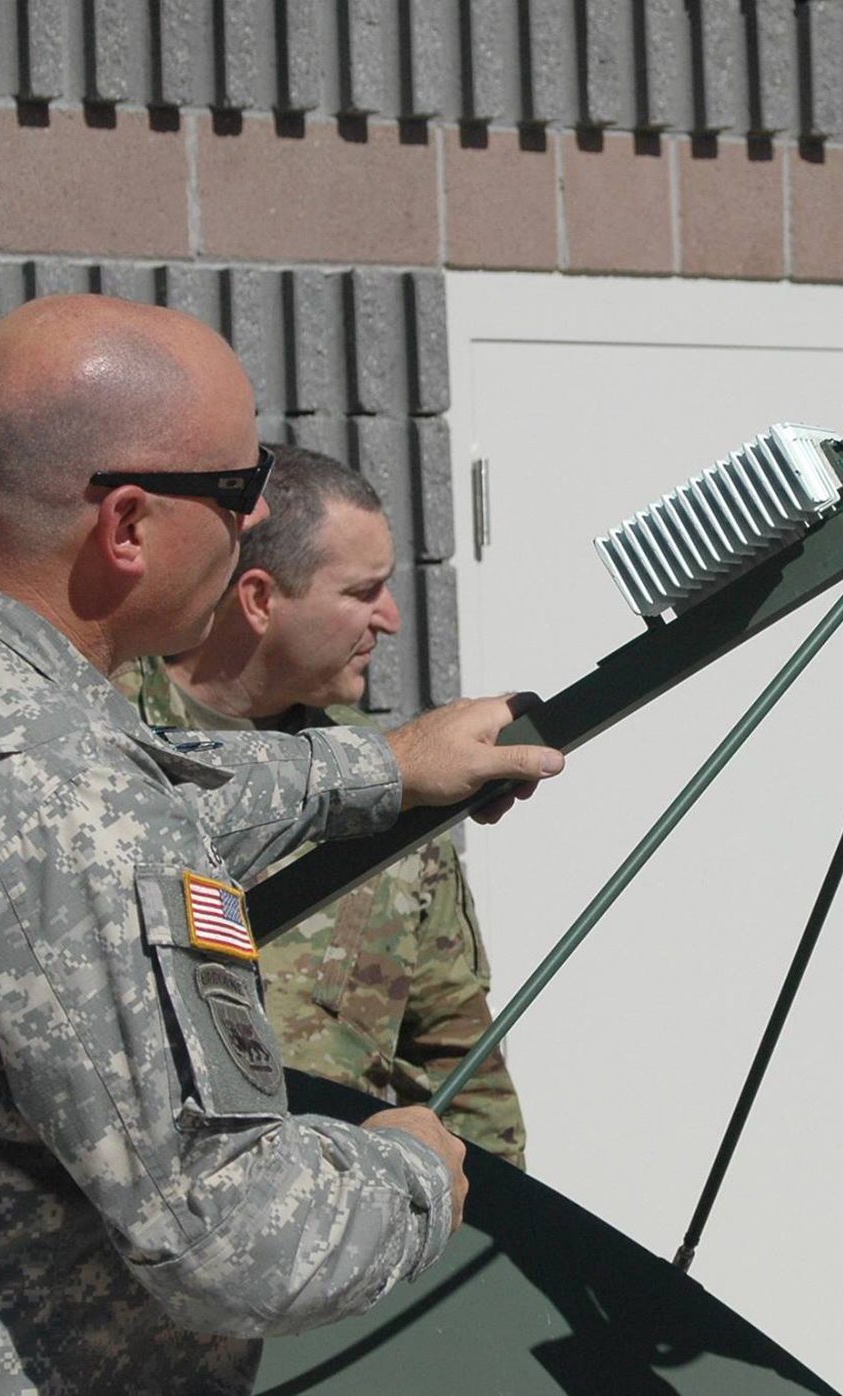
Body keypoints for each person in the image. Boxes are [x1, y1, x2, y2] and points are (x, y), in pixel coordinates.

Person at [0, 294, 565, 1395]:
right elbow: (237, 1243)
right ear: (128, 526)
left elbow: (76, 819)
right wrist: (409, 1169)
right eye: (240, 492)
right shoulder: (59, 794)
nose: (255, 524)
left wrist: (381, 770)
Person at [118, 444, 527, 1166]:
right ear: (259, 599)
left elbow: (457, 1056)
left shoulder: (397, 786)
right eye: (362, 592)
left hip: (339, 1228)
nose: (392, 619)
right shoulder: (104, 745)